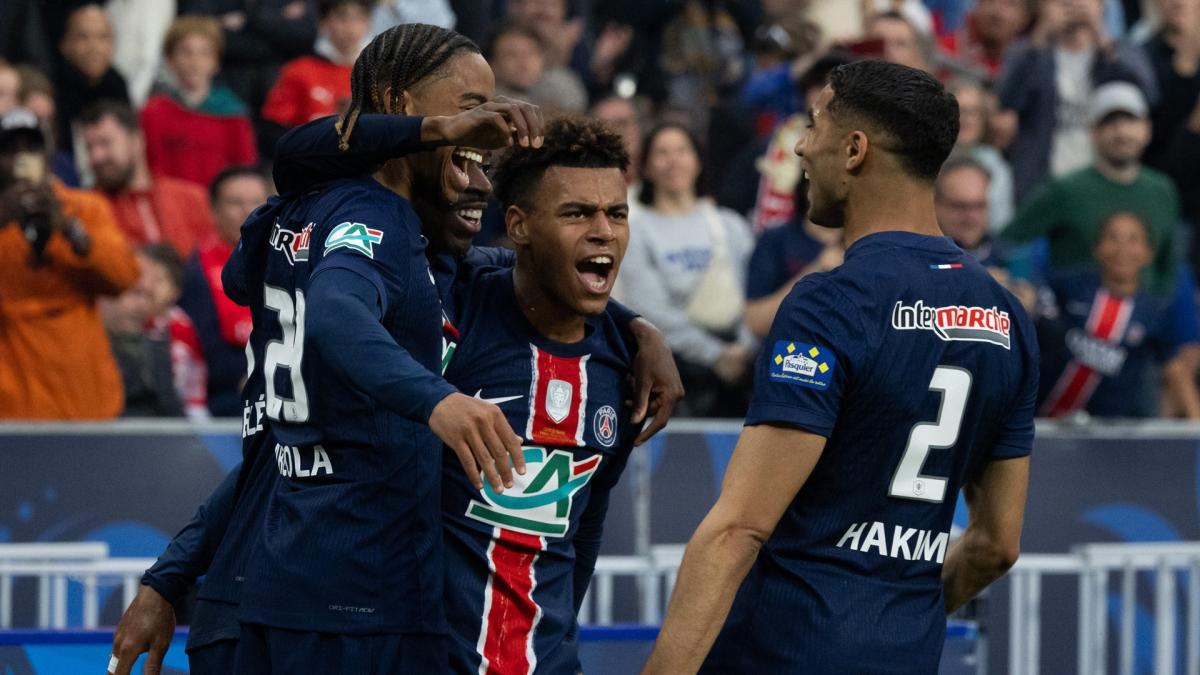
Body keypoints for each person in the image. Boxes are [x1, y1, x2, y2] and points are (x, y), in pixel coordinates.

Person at [642, 61, 1037, 674]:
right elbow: (995, 544)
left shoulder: (830, 301)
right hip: (906, 655)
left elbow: (737, 529)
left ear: (854, 149)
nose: (800, 145)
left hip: (783, 651)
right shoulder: (1008, 317)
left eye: (812, 124)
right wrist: (896, 620)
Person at [441, 115, 637, 674]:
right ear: (520, 225)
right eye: (577, 213)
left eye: (617, 214)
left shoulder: (628, 366)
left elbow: (586, 525)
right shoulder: (456, 313)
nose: (603, 231)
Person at [0, 108, 139, 419]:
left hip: (84, 393)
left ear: (48, 155)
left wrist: (70, 229)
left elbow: (125, 277)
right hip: (12, 393)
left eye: (31, 149)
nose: (21, 159)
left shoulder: (85, 208)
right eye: (9, 150)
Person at [618, 122, 756, 418]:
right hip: (677, 366)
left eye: (682, 151)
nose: (673, 161)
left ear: (697, 161)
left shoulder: (731, 224)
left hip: (740, 360)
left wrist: (743, 349)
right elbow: (649, 309)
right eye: (662, 153)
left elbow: (753, 295)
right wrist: (714, 355)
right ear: (647, 167)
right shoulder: (636, 230)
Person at [1001, 82, 1180, 297]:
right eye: (1110, 122)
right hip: (1077, 322)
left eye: (1131, 120)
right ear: (1093, 131)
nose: (1121, 132)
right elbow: (1007, 242)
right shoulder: (1065, 190)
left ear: (1147, 128)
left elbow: (1168, 263)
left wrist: (1161, 307)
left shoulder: (1163, 190)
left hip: (1145, 323)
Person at [1037, 211, 1200, 418]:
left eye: (1133, 239)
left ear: (1149, 252)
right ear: (1096, 248)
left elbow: (1175, 370)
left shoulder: (1154, 311)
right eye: (1112, 238)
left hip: (1112, 432)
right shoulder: (1067, 286)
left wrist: (1195, 426)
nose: (1122, 249)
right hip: (1043, 422)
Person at [993, 0, 1158, 203]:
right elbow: (1007, 100)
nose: (1073, 5)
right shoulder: (1028, 52)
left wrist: (1101, 37)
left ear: (1102, 7)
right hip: (1040, 184)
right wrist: (1041, 33)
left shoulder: (1120, 50)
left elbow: (1147, 95)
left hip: (1102, 180)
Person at [80, 100, 218, 258]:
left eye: (105, 143)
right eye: (89, 147)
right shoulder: (87, 210)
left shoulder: (192, 199)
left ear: (137, 141)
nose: (96, 156)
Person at [178, 166, 264, 417]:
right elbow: (207, 351)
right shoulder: (197, 272)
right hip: (229, 395)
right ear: (214, 211)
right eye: (235, 203)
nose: (248, 211)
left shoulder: (290, 261)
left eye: (257, 202)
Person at [140, 16, 258, 187]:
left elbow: (244, 174)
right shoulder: (152, 113)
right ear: (170, 59)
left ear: (216, 62)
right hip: (170, 206)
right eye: (185, 52)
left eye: (205, 53)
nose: (195, 62)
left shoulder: (233, 115)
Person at [744, 180, 844, 339]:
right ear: (805, 185)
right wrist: (818, 269)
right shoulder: (777, 239)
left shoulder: (867, 245)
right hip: (788, 353)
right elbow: (756, 322)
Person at [260, 0, 371, 130]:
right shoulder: (299, 70)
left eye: (359, 18)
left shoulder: (381, 73)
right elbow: (273, 129)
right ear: (322, 22)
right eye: (342, 18)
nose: (351, 27)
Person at [55, 4, 131, 160]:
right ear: (64, 45)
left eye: (102, 37)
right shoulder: (51, 90)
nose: (93, 47)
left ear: (113, 44)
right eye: (83, 37)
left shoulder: (119, 87)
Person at [948, 76, 1014, 232]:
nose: (965, 119)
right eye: (959, 111)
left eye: (973, 112)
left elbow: (1000, 225)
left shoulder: (996, 166)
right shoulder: (927, 159)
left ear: (983, 119)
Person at [937, 0, 1033, 80]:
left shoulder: (1028, 69)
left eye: (1009, 4)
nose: (997, 12)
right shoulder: (944, 50)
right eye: (990, 1)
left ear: (1025, 18)